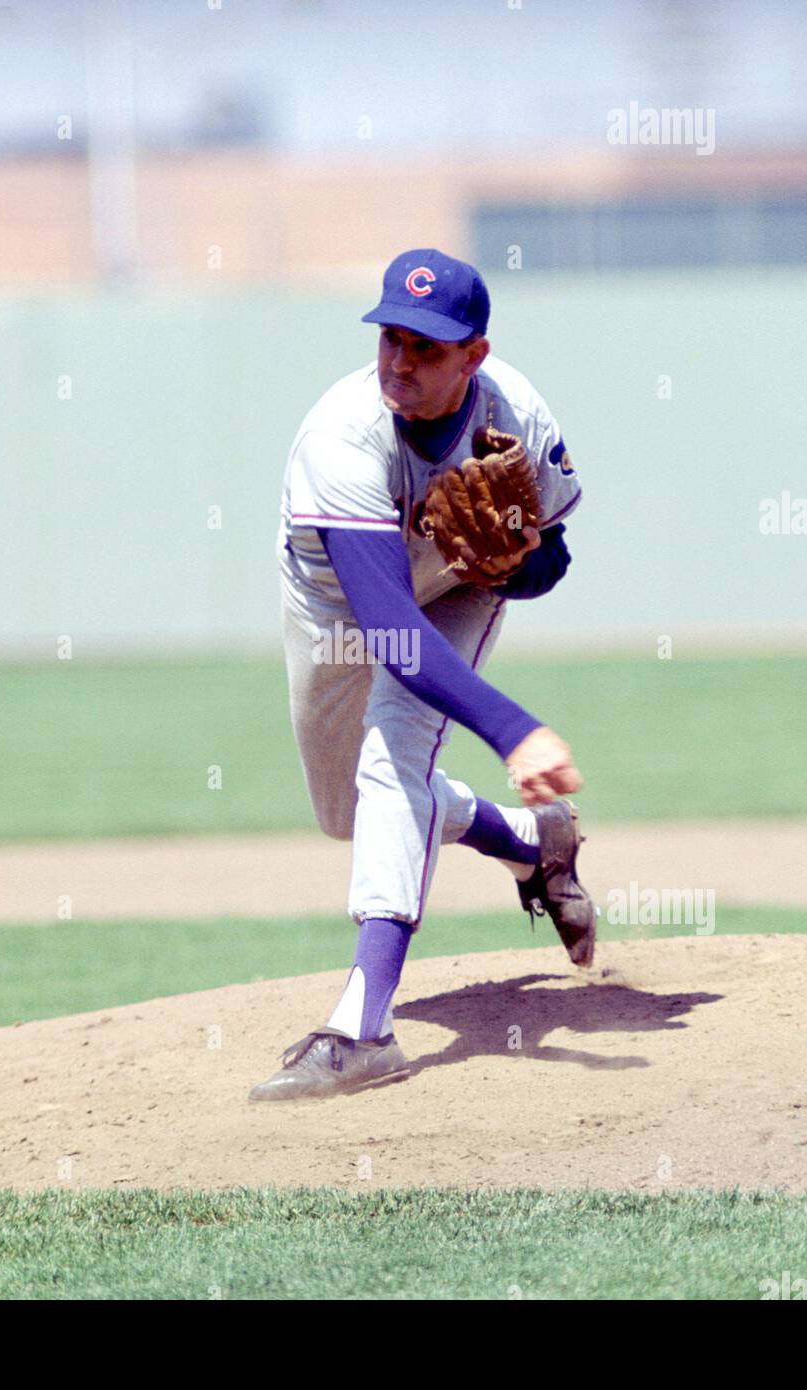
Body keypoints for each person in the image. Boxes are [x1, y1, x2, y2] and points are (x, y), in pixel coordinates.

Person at [251, 248, 594, 1102]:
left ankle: (361, 1031)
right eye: (389, 339)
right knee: (346, 814)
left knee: (390, 762)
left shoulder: (517, 411)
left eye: (426, 347)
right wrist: (513, 731)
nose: (399, 361)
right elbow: (390, 631)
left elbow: (552, 556)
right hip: (339, 608)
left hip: (452, 591)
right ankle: (526, 840)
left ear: (472, 355)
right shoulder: (342, 438)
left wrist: (515, 564)